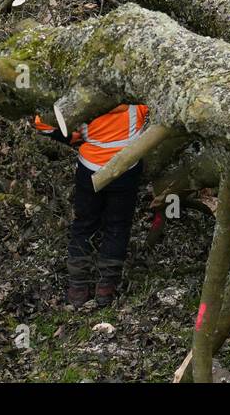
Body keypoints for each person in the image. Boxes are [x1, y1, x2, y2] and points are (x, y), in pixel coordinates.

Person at [34, 105, 150, 308]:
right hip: (125, 170)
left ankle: (78, 286)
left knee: (84, 224)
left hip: (90, 170)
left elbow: (42, 122)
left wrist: (73, 137)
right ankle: (106, 285)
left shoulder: (83, 104)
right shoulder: (135, 102)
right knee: (117, 226)